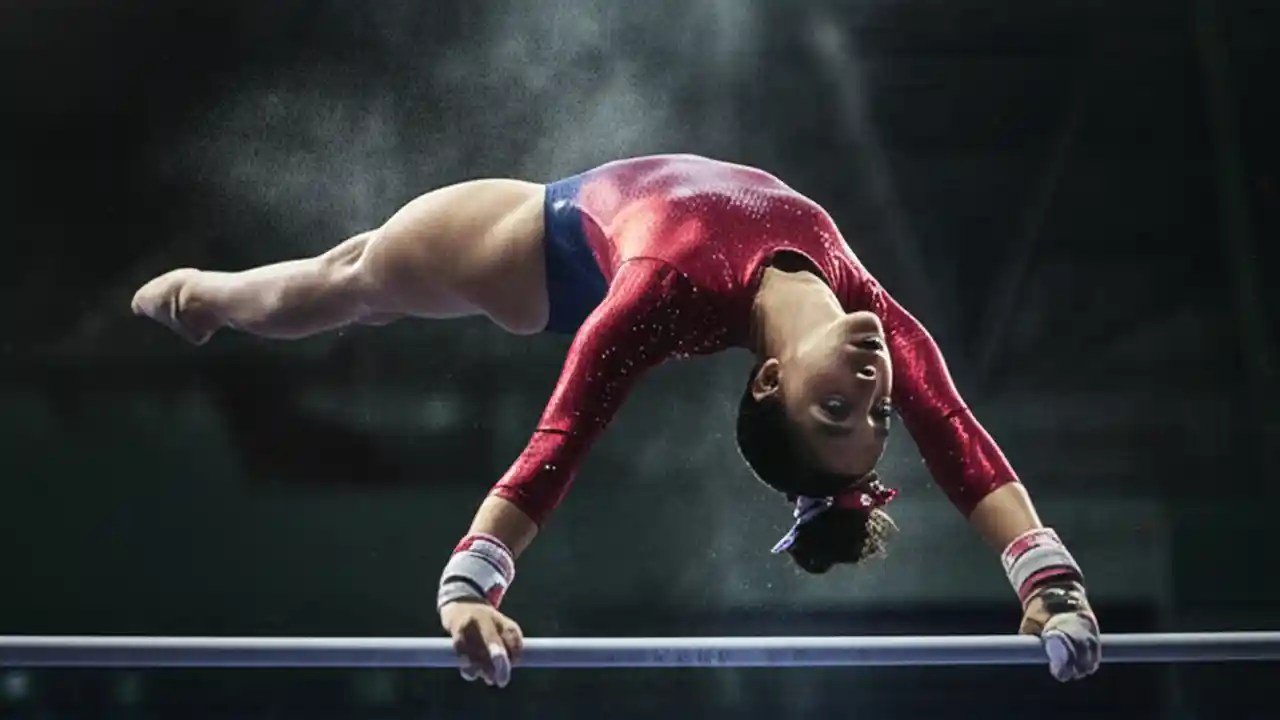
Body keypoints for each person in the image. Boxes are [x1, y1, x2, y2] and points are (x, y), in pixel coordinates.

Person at [132, 154, 1101, 687]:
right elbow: (964, 448)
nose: (870, 380)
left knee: (348, 283)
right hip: (584, 221)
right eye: (873, 412)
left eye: (835, 410)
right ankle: (219, 302)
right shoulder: (882, 319)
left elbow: (561, 438)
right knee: (354, 266)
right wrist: (1047, 582)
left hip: (535, 253)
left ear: (768, 384)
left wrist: (469, 584)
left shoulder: (658, 294)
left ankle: (206, 297)